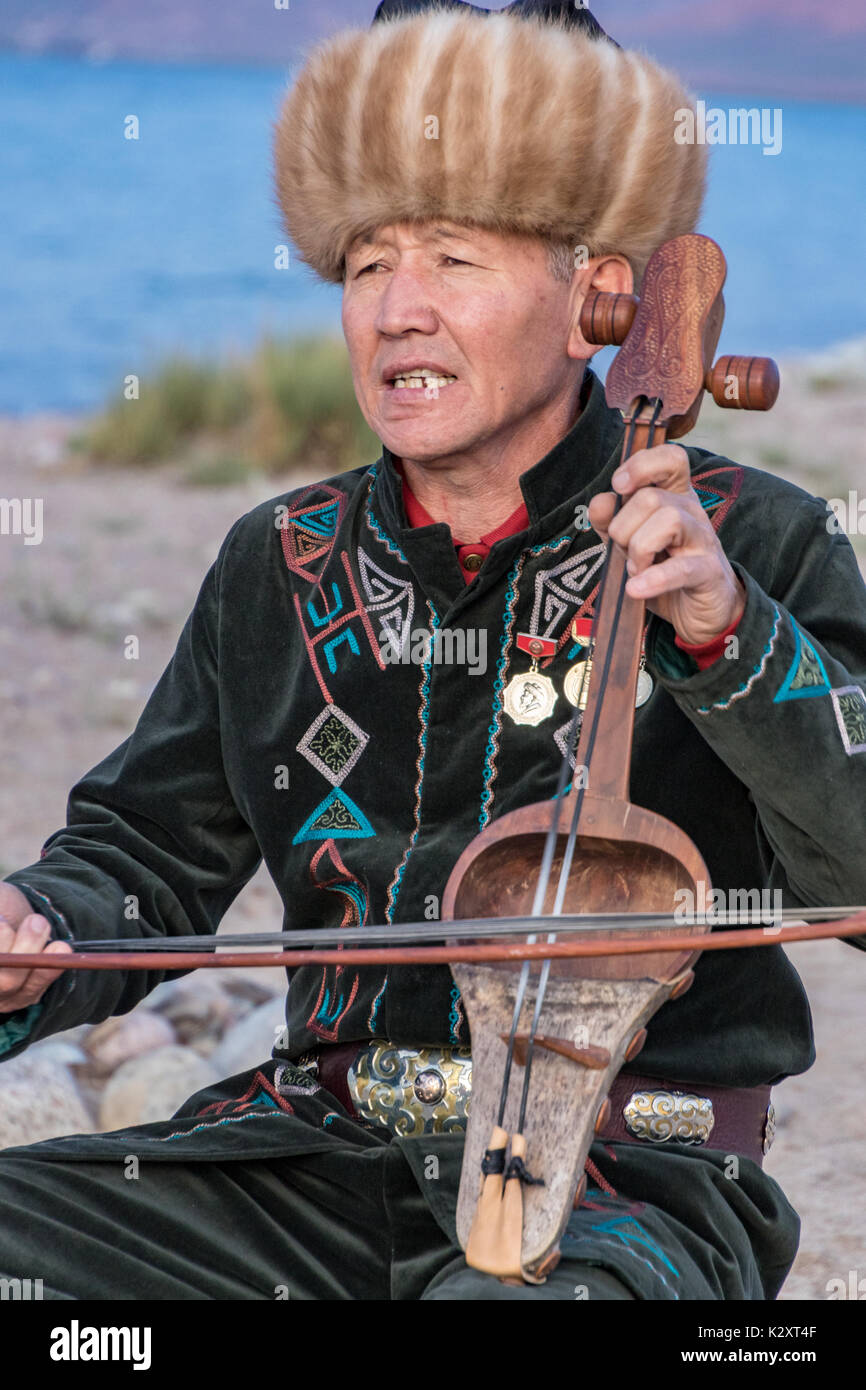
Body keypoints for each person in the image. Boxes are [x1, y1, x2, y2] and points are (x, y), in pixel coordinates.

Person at [0, 0, 864, 1301]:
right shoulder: (274, 558)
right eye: (364, 263)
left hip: (628, 1190)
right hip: (308, 1155)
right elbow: (143, 855)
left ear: (597, 295)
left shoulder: (752, 541)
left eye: (453, 258)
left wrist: (727, 639)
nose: (397, 310)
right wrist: (36, 930)